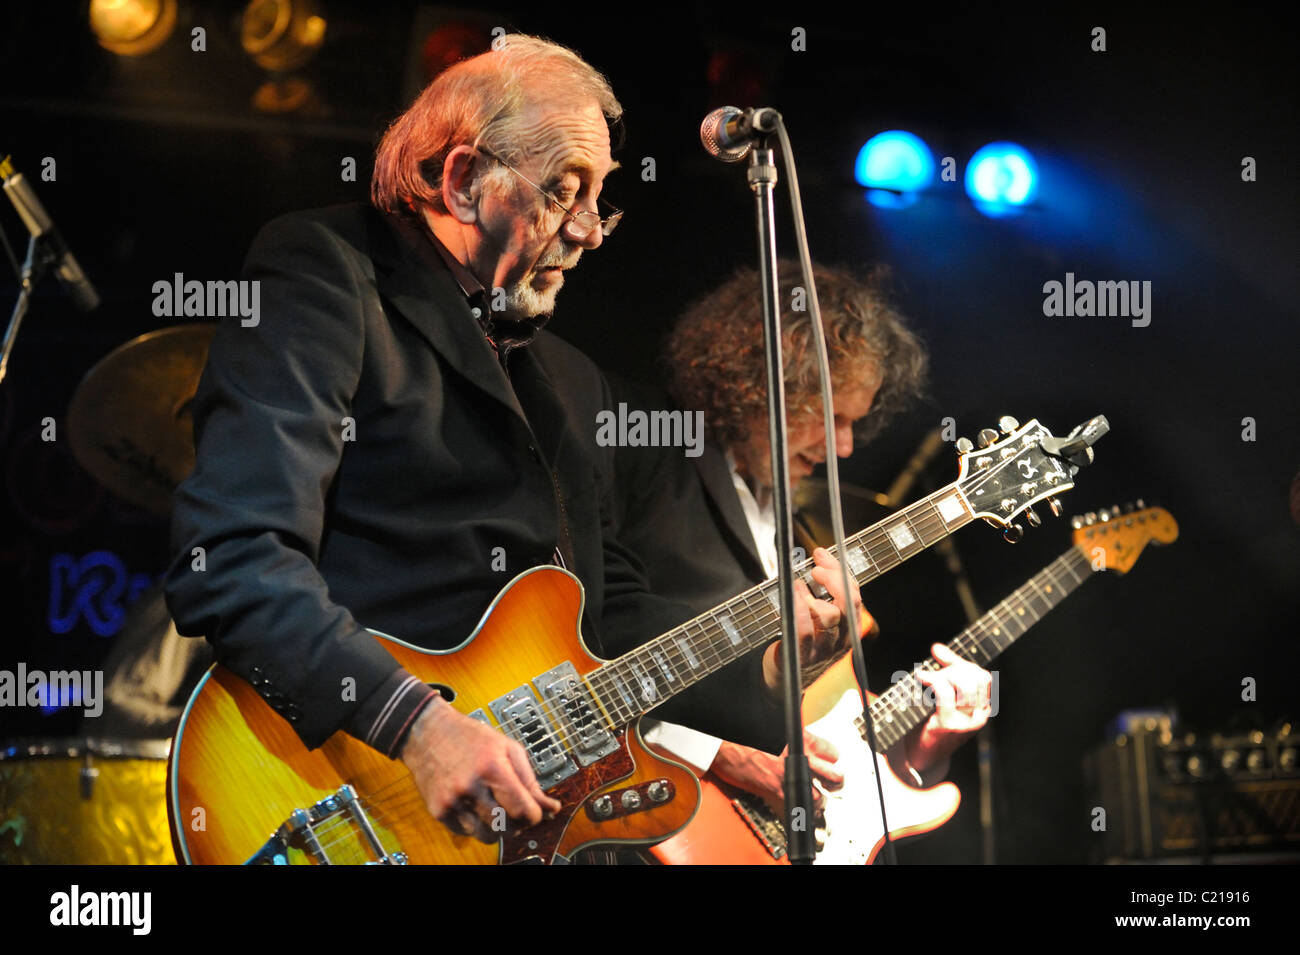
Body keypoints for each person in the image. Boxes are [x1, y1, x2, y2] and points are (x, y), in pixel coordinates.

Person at [164, 36, 861, 847]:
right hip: (340, 789)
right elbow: (234, 552)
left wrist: (775, 655)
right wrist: (417, 726)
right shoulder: (325, 272)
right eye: (566, 192)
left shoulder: (568, 378)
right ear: (462, 180)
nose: (593, 230)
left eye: (601, 197)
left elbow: (615, 618)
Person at [612, 260, 993, 811]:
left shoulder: (799, 526)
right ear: (762, 382)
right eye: (832, 417)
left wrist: (924, 749)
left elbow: (818, 732)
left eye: (855, 423)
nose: (844, 447)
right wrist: (720, 751)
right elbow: (592, 650)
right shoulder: (645, 458)